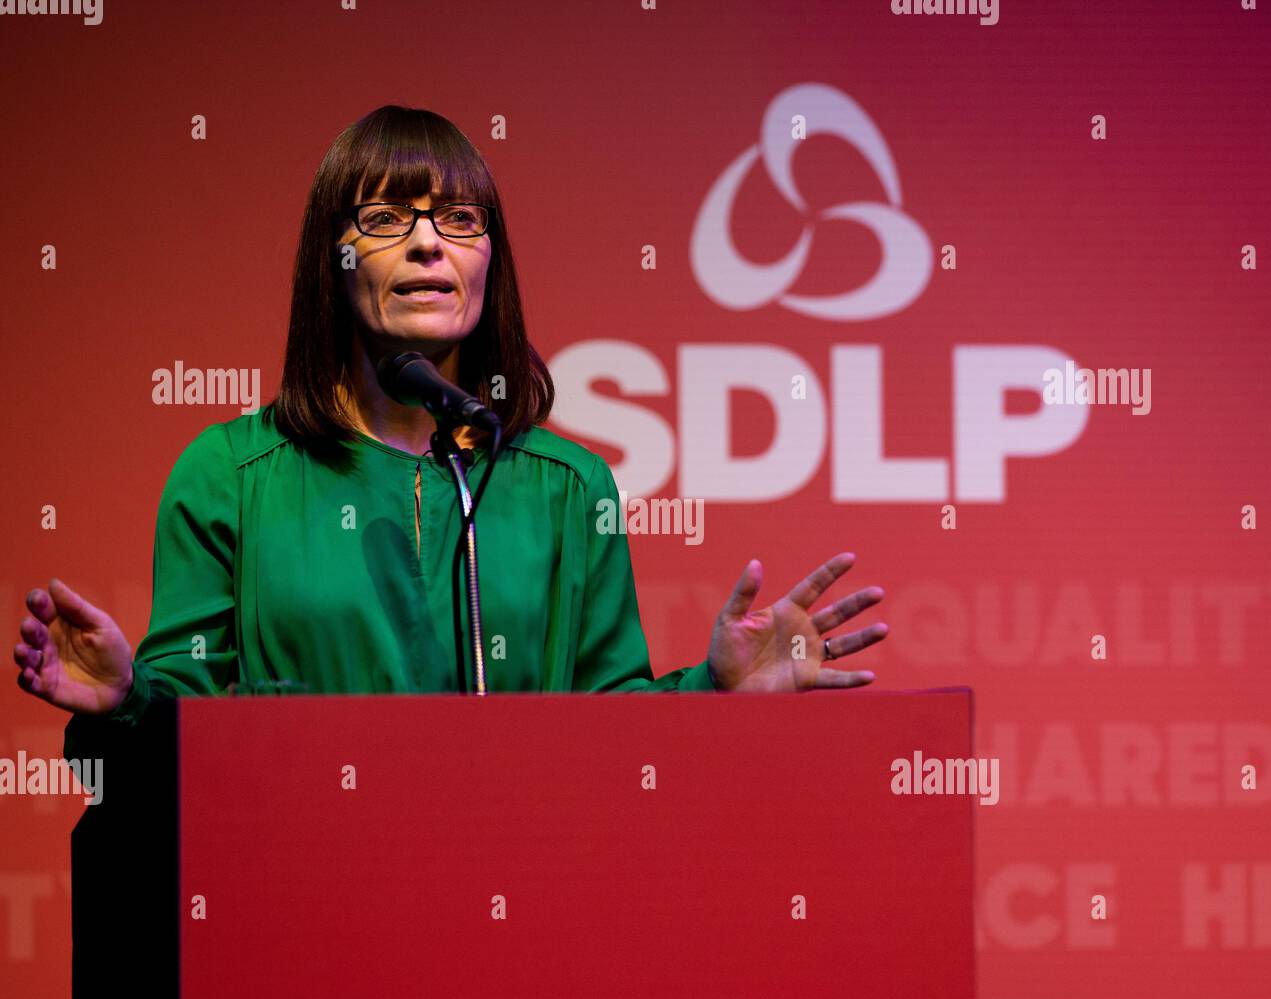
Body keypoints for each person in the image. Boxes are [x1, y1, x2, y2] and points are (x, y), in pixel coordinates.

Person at [13, 104, 890, 723]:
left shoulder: (568, 485)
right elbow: (187, 721)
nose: (429, 241)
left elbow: (608, 727)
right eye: (389, 216)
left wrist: (714, 691)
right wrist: (128, 700)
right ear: (336, 259)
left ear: (487, 265)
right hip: (296, 905)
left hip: (514, 906)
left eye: (459, 218)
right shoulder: (229, 474)